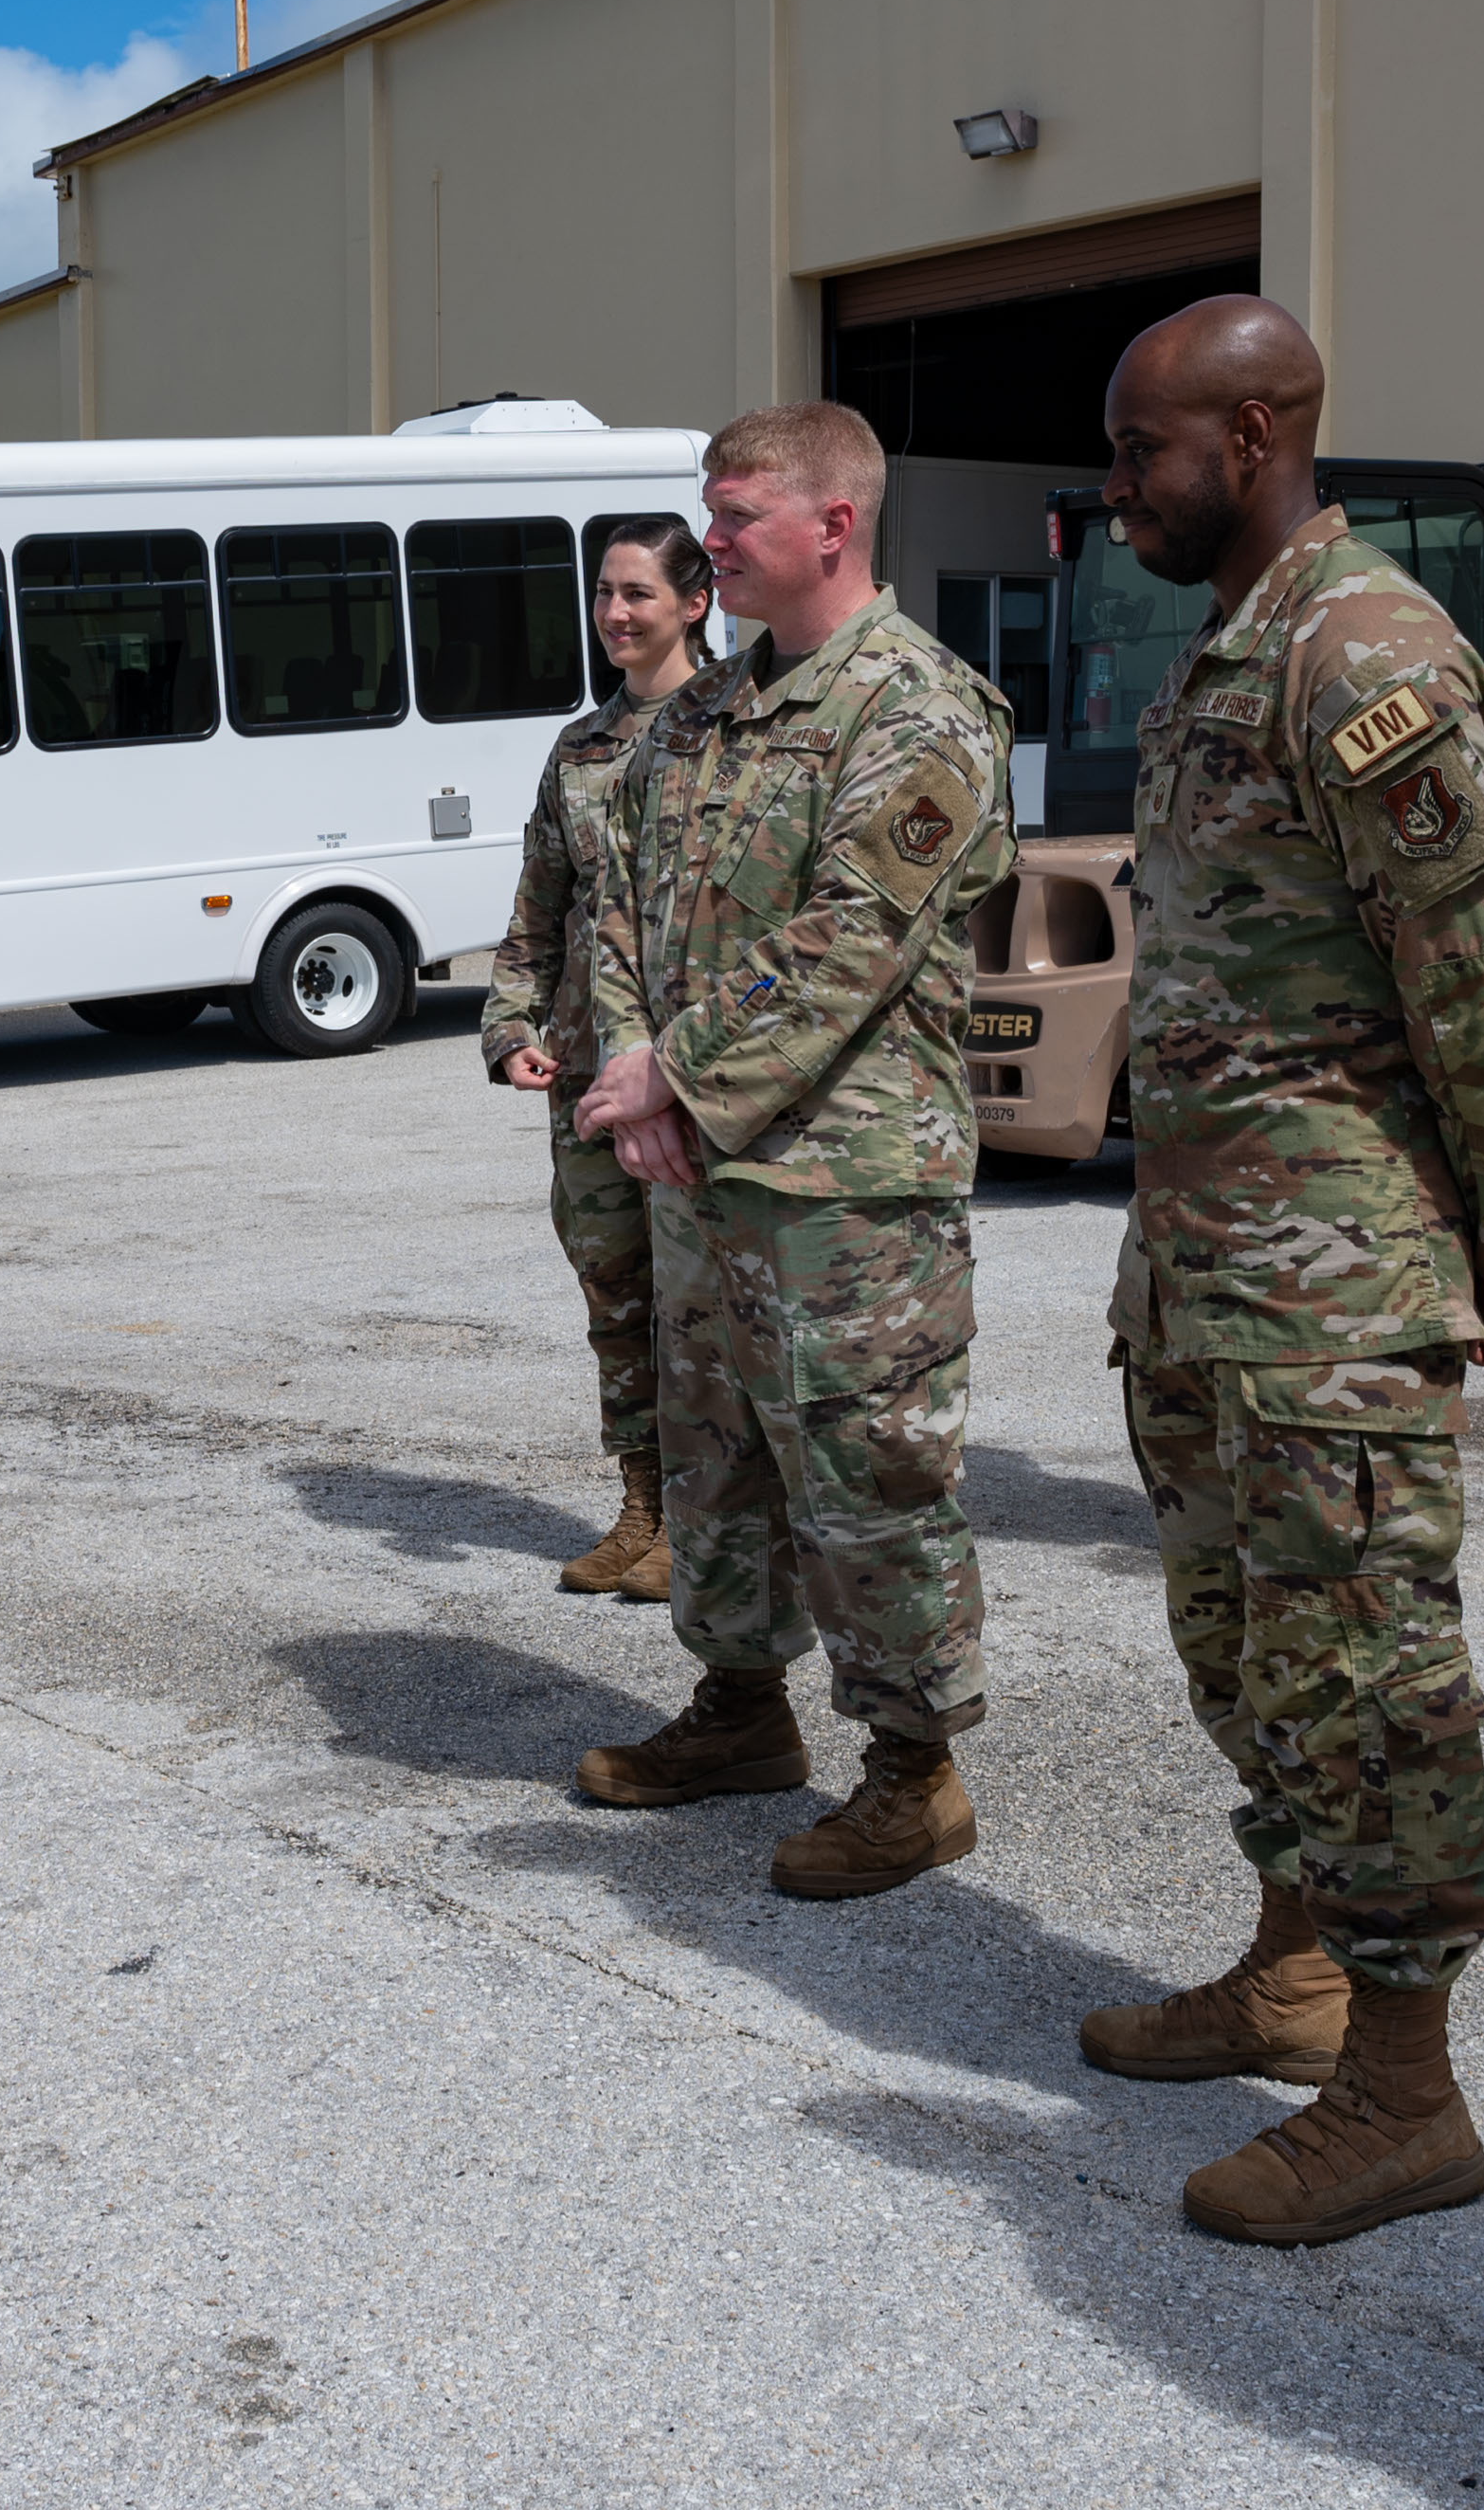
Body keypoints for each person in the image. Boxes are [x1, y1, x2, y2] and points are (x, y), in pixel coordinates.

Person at [1062, 298, 1484, 2246]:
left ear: (1257, 431)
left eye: (1143, 454)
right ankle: (1290, 1976)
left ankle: (1402, 2093)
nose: (1117, 493)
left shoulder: (1362, 651)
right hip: (1202, 1264)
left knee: (1364, 1675)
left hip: (1328, 1272)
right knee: (1247, 1649)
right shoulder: (1234, 647)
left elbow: (1474, 972)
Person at [570, 400, 1017, 1897]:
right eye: (706, 513)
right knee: (716, 1462)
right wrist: (640, 1075)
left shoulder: (921, 710)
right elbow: (617, 900)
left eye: (737, 516)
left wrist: (670, 1083)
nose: (709, 543)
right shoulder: (693, 718)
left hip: (848, 1191)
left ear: (832, 523)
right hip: (702, 1174)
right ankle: (740, 1709)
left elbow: (848, 941)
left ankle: (911, 1775)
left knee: (866, 1476)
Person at [481, 519, 720, 1602]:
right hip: (584, 1079)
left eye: (637, 594)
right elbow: (537, 914)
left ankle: (706, 1525)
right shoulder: (577, 748)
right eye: (602, 594)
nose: (615, 614)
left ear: (693, 601)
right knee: (614, 1299)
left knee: (694, 1308)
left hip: (686, 1075)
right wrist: (508, 1030)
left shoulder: (732, 728)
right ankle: (644, 1507)